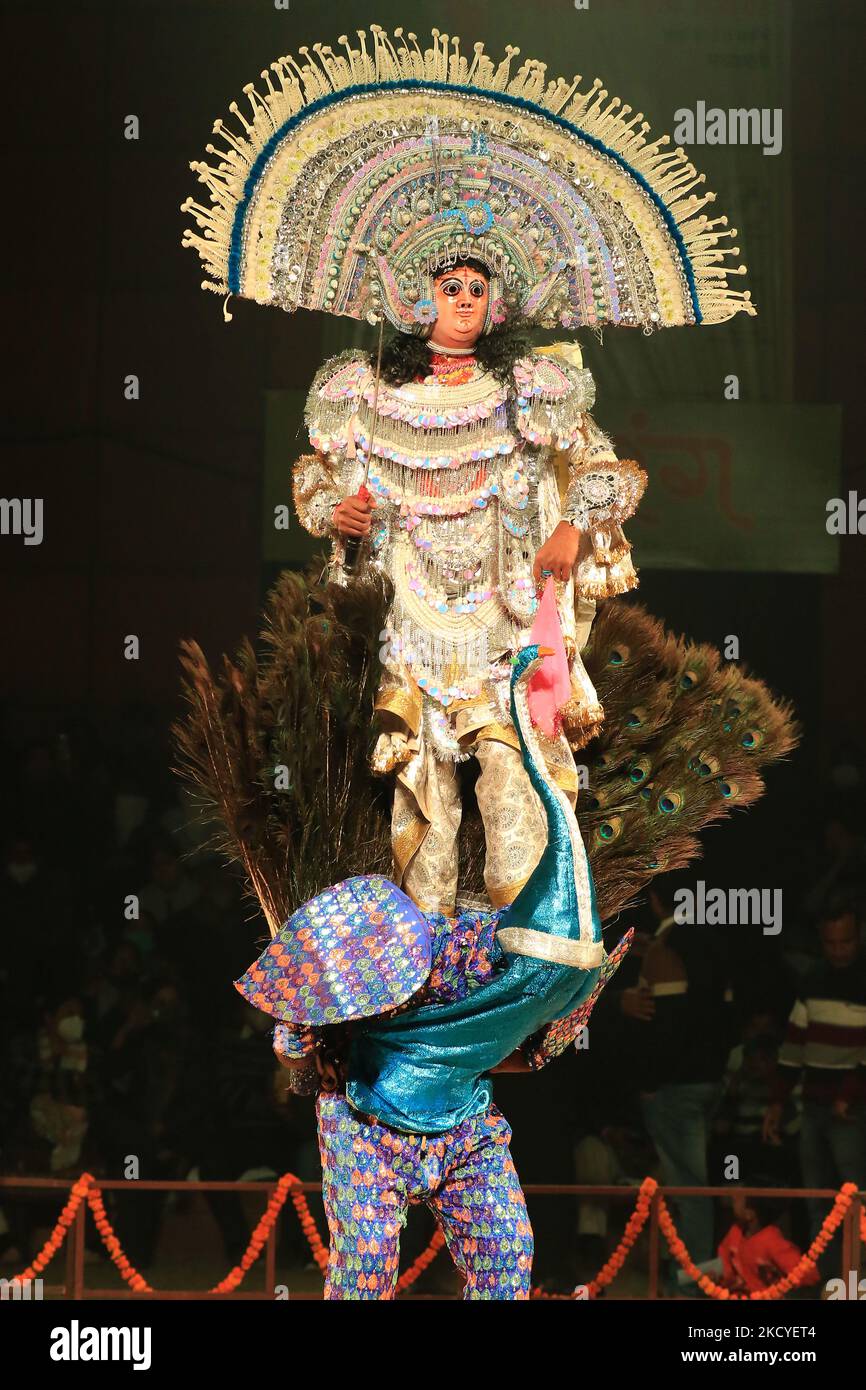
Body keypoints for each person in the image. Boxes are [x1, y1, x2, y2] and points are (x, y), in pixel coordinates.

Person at [295, 250, 646, 914]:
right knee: (423, 778)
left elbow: (600, 465)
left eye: (477, 289)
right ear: (414, 296)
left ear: (495, 303)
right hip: (413, 617)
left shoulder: (529, 387)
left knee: (508, 764)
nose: (462, 299)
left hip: (502, 610)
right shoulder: (368, 394)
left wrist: (569, 527)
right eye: (449, 286)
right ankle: (426, 940)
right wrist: (339, 515)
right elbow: (318, 484)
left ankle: (523, 930)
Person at [763, 904, 866, 1274]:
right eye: (831, 943)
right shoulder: (813, 979)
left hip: (853, 1110)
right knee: (816, 1199)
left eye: (846, 942)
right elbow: (794, 1045)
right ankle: (827, 1281)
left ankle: (858, 1280)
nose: (839, 950)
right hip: (813, 1106)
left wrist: (850, 1093)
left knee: (855, 1199)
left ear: (859, 936)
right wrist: (777, 1102)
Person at [717, 1187, 819, 1296]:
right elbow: (723, 1263)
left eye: (739, 1198)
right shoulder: (736, 1232)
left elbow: (808, 1276)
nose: (734, 1196)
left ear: (749, 1214)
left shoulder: (772, 1241)